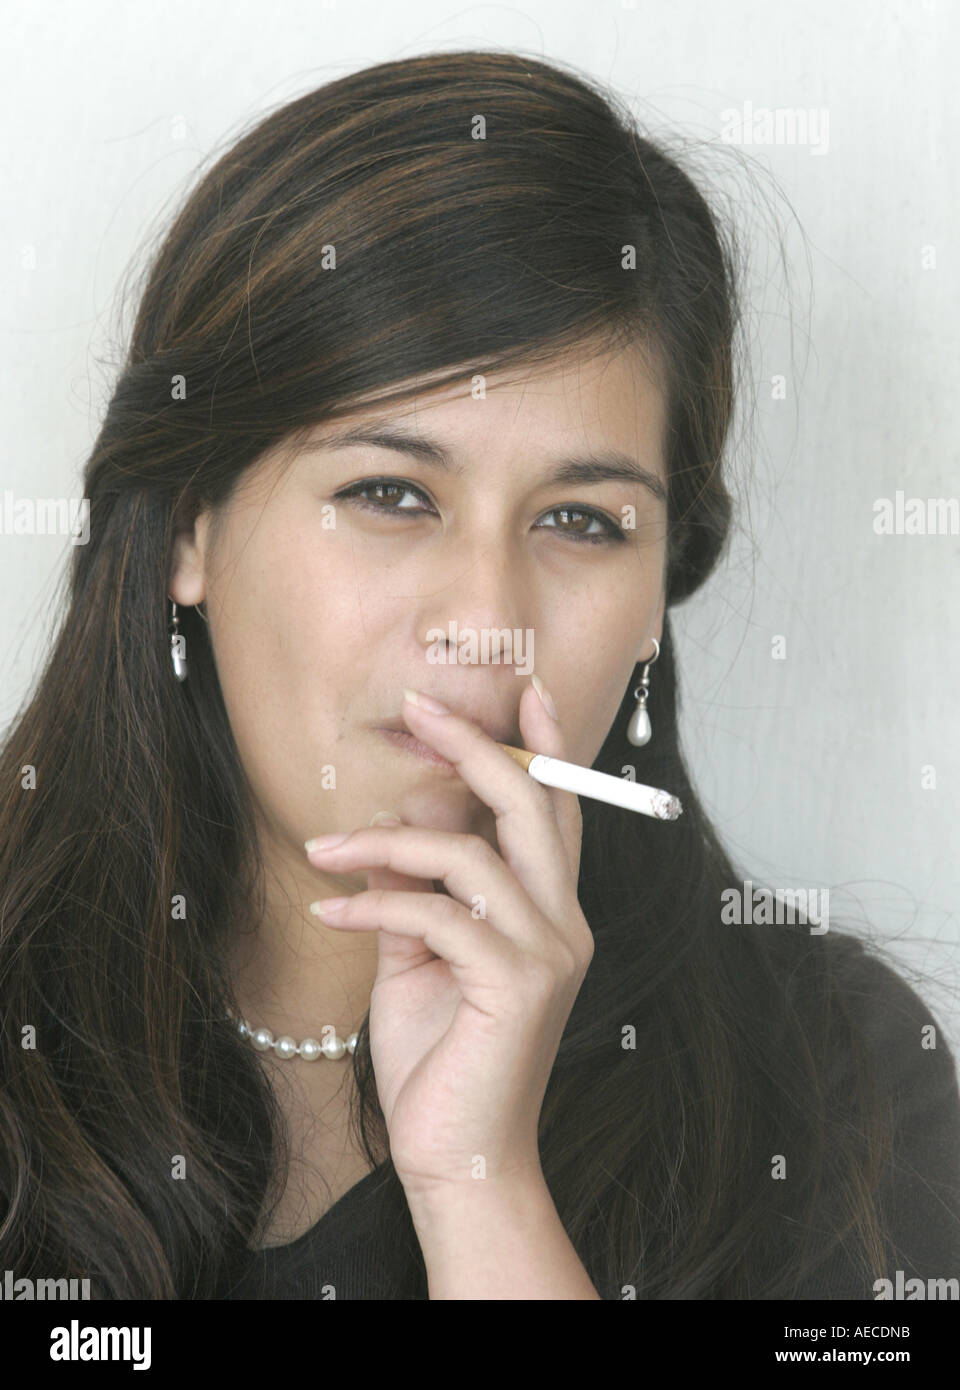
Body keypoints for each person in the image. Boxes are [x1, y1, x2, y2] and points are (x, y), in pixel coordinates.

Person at [1, 49, 957, 1301]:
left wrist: (481, 1189)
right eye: (390, 494)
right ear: (189, 527)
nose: (487, 625)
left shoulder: (842, 1084)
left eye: (583, 521)